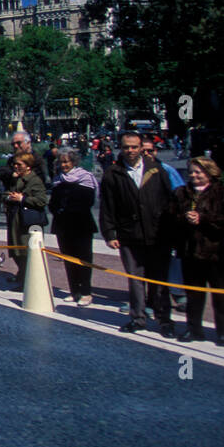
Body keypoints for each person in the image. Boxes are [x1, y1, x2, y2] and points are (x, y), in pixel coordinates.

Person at [99, 131, 177, 336]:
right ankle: (138, 318)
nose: (130, 151)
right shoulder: (112, 173)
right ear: (120, 147)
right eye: (126, 147)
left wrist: (172, 232)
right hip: (129, 235)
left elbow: (169, 202)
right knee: (135, 280)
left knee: (159, 281)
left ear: (141, 147)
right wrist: (110, 234)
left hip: (157, 234)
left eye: (134, 147)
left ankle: (164, 320)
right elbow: (108, 207)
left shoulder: (157, 170)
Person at [170, 157, 224, 345]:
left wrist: (203, 219)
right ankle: (193, 329)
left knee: (221, 295)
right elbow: (170, 217)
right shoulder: (181, 193)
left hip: (218, 253)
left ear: (210, 172)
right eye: (191, 171)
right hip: (190, 252)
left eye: (199, 172)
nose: (194, 175)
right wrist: (183, 218)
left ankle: (223, 332)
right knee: (193, 295)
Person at [50, 147, 98, 306]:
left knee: (83, 259)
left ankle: (86, 292)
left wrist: (68, 208)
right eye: (61, 162)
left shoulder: (85, 178)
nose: (64, 165)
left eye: (67, 162)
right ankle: (74, 291)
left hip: (81, 224)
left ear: (74, 161)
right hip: (63, 226)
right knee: (68, 259)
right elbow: (53, 203)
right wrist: (58, 210)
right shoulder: (57, 180)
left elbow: (88, 201)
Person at [5, 153, 50, 286]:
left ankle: (27, 281)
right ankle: (22, 275)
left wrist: (22, 199)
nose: (16, 166)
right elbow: (7, 193)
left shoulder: (34, 180)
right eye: (15, 164)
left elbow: (42, 200)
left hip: (27, 222)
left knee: (26, 251)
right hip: (16, 220)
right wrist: (9, 197)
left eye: (19, 164)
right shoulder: (17, 179)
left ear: (28, 166)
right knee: (16, 250)